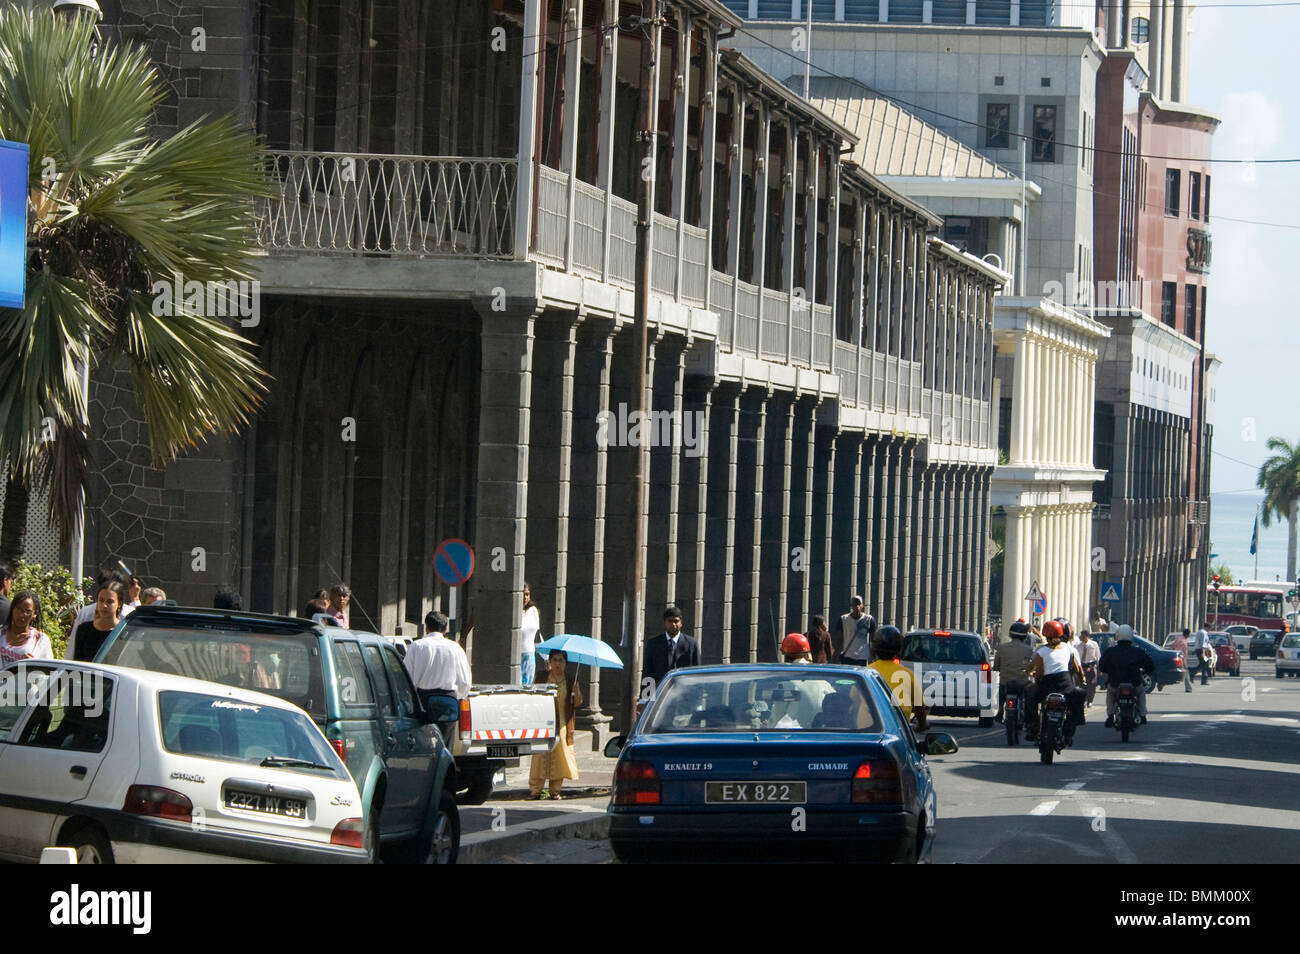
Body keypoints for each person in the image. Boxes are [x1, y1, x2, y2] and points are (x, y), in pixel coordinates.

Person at [404, 610, 473, 744]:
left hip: (422, 702)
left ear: (427, 627)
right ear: (446, 628)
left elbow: (407, 678)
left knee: (422, 745)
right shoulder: (455, 648)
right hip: (448, 703)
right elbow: (464, 681)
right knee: (445, 746)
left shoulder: (417, 646)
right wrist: (457, 697)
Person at [528, 649, 582, 799]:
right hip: (543, 721)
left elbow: (577, 702)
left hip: (562, 723)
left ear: (565, 663)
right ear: (550, 662)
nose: (558, 663)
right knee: (539, 755)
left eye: (561, 660)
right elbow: (532, 696)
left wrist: (576, 692)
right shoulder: (541, 677)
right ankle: (535, 790)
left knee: (560, 755)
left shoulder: (571, 680)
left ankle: (555, 790)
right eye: (555, 660)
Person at [1025, 619, 1086, 743]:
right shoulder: (1068, 650)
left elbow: (1036, 670)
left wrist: (1029, 674)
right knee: (1080, 694)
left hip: (1046, 687)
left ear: (1045, 635)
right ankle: (1071, 725)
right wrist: (1082, 679)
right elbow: (1077, 668)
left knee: (1029, 694)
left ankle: (1033, 725)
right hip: (1066, 686)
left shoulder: (1041, 651)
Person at [868, 625, 927, 730]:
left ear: (873, 649)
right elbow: (920, 709)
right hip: (899, 731)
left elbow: (853, 704)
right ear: (899, 650)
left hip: (868, 730)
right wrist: (922, 725)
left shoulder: (866, 672)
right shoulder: (907, 674)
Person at [1099, 624, 1156, 727]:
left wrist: (1109, 671)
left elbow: (1102, 666)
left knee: (1110, 694)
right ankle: (1142, 714)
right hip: (1134, 683)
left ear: (1117, 636)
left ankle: (1110, 716)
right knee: (1141, 692)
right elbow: (1150, 665)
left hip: (1115, 683)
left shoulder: (1110, 652)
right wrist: (1146, 671)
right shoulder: (1137, 651)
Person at [643, 605, 700, 693]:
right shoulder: (653, 643)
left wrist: (696, 700)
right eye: (670, 621)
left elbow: (696, 674)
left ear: (681, 623)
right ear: (665, 623)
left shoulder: (691, 644)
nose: (673, 624)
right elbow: (648, 673)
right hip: (660, 695)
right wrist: (646, 700)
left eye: (676, 621)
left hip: (685, 695)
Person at [67, 581, 125, 662]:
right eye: (101, 600)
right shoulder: (84, 630)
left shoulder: (124, 632)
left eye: (110, 602)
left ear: (119, 604)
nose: (104, 605)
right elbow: (78, 661)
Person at [994, 620, 1034, 722]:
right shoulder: (1029, 650)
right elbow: (1029, 666)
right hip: (1022, 683)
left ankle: (999, 710)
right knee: (1030, 696)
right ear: (1025, 636)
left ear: (1010, 634)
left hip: (1005, 682)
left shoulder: (1001, 648)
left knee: (1000, 693)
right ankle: (1028, 715)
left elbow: (996, 666)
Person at [0, 590, 54, 664]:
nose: (22, 615)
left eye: (27, 612)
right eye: (19, 609)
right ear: (12, 609)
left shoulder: (40, 640)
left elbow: (49, 668)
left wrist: (33, 664)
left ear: (34, 614)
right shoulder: (1, 632)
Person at [838, 596, 875, 662]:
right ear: (851, 606)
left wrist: (873, 656)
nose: (857, 606)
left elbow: (872, 640)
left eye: (859, 604)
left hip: (862, 656)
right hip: (848, 655)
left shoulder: (869, 619)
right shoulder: (843, 619)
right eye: (854, 604)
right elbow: (839, 639)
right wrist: (836, 653)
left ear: (862, 605)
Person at [520, 582, 541, 685]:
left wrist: (546, 658)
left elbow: (537, 636)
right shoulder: (513, 612)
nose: (525, 597)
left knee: (528, 687)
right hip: (517, 657)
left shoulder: (533, 611)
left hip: (530, 656)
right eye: (523, 594)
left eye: (527, 594)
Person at [1077, 627, 1102, 707]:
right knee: (1082, 684)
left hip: (1091, 665)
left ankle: (1090, 700)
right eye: (1081, 636)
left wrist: (1099, 668)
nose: (1082, 638)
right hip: (1082, 665)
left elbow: (1098, 656)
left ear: (1087, 636)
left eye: (1084, 636)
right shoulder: (1078, 645)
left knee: (1091, 684)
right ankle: (1083, 700)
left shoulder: (1094, 644)